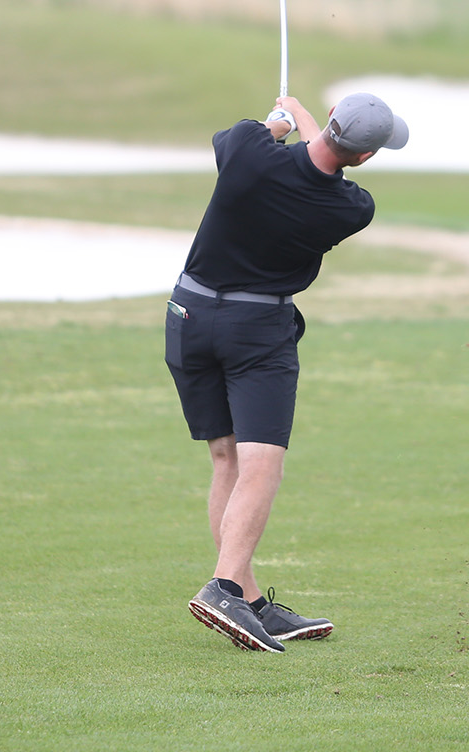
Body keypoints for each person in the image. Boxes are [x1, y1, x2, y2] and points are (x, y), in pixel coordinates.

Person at [169, 91, 409, 653]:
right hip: (256, 330)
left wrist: (282, 116)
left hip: (188, 314)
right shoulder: (352, 208)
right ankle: (224, 588)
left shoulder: (250, 152)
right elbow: (319, 161)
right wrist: (300, 119)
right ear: (367, 157)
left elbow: (243, 140)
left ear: (328, 123)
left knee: (226, 458)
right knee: (262, 464)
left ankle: (248, 600)